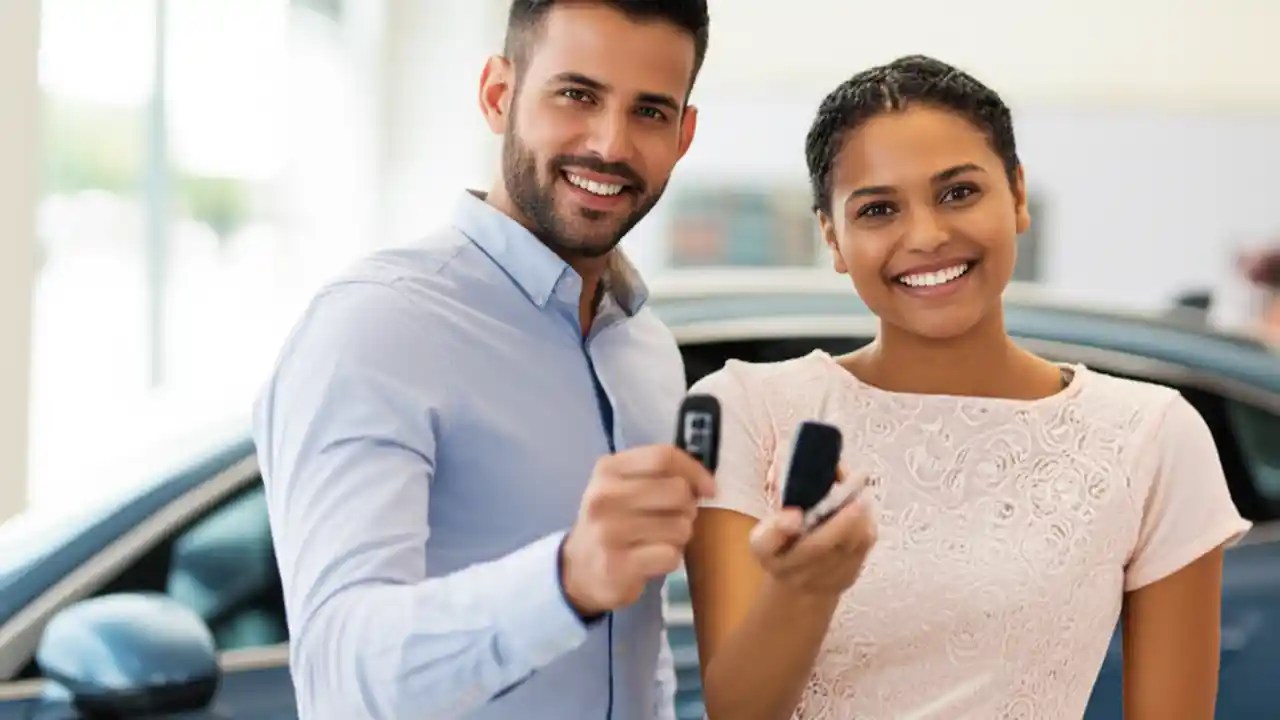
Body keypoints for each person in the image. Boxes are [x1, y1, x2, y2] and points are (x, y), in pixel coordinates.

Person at [684, 55, 1252, 719]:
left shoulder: (1152, 435)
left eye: (958, 192)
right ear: (832, 238)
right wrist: (807, 589)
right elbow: (736, 712)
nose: (925, 235)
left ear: (1016, 194)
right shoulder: (749, 410)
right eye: (878, 209)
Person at [252, 2, 711, 718]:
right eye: (577, 95)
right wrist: (565, 581)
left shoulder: (647, 346)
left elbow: (636, 658)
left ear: (682, 135)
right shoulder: (378, 325)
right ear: (499, 94)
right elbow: (340, 677)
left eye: (649, 112)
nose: (610, 144)